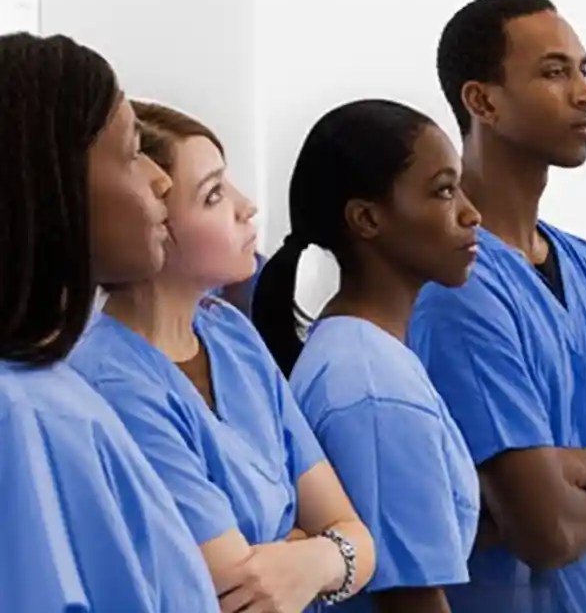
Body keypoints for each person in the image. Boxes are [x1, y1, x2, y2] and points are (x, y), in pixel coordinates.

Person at [409, 0, 586, 613]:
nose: (585, 94)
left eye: (584, 70)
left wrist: (566, 468)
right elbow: (546, 532)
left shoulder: (585, 268)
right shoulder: (457, 282)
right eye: (554, 73)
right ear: (482, 100)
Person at [68, 101, 376, 612]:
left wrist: (311, 561)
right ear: (152, 214)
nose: (246, 205)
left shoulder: (230, 332)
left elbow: (358, 540)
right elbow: (237, 594)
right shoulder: (113, 382)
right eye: (213, 195)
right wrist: (314, 550)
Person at [0, 32, 219, 611]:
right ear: (50, 182)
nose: (160, 180)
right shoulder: (25, 413)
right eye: (129, 154)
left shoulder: (49, 389)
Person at [253, 99, 483, 613]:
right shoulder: (372, 384)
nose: (471, 213)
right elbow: (410, 600)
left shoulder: (361, 353)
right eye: (444, 191)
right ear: (366, 218)